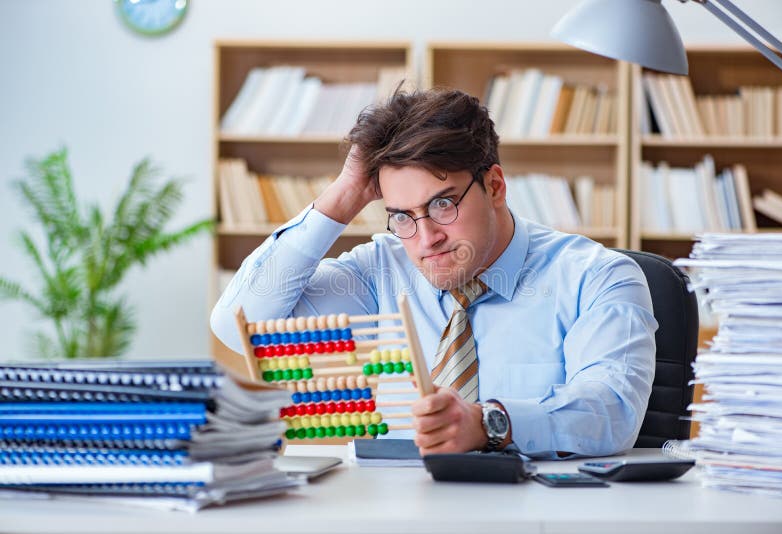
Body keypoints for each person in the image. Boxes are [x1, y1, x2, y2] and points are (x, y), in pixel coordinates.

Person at [210, 88, 657, 458]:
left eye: (443, 204)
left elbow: (613, 410)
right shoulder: (381, 269)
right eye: (402, 215)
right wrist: (344, 194)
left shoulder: (597, 277)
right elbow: (238, 326)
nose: (425, 240)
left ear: (495, 186)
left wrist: (489, 423)